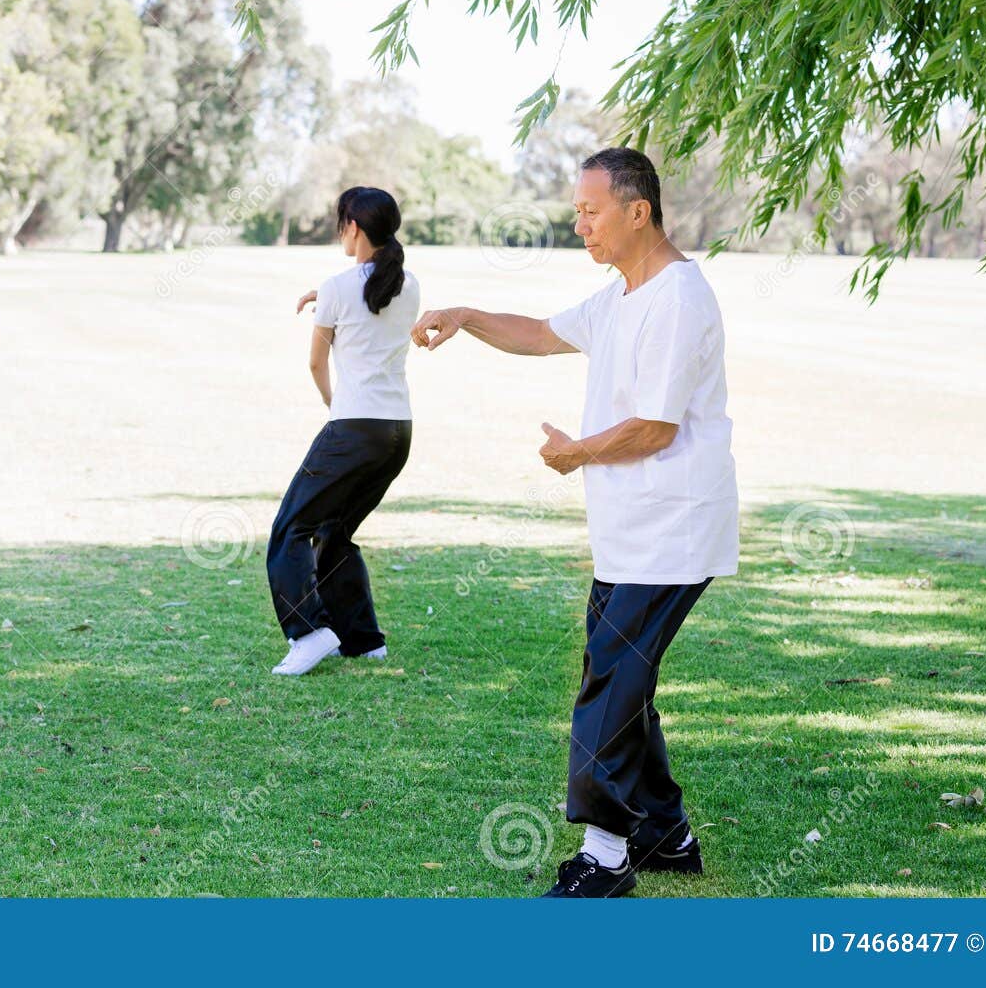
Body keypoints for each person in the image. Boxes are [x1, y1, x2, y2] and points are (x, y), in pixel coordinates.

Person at [411, 148, 737, 897]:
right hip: (632, 532)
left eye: (590, 211)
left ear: (637, 211)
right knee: (619, 677)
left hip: (674, 529)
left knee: (610, 684)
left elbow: (655, 427)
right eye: (577, 210)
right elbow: (542, 332)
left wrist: (575, 454)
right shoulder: (621, 293)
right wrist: (465, 315)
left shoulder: (679, 298)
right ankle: (667, 835)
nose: (579, 222)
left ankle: (606, 856)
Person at [267, 187, 420, 677]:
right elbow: (369, 301)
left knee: (291, 529)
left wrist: (337, 408)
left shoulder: (336, 286)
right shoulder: (408, 283)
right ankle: (363, 640)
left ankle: (309, 634)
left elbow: (316, 362)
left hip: (354, 426)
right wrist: (327, 299)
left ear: (352, 226)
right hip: (398, 432)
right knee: (335, 533)